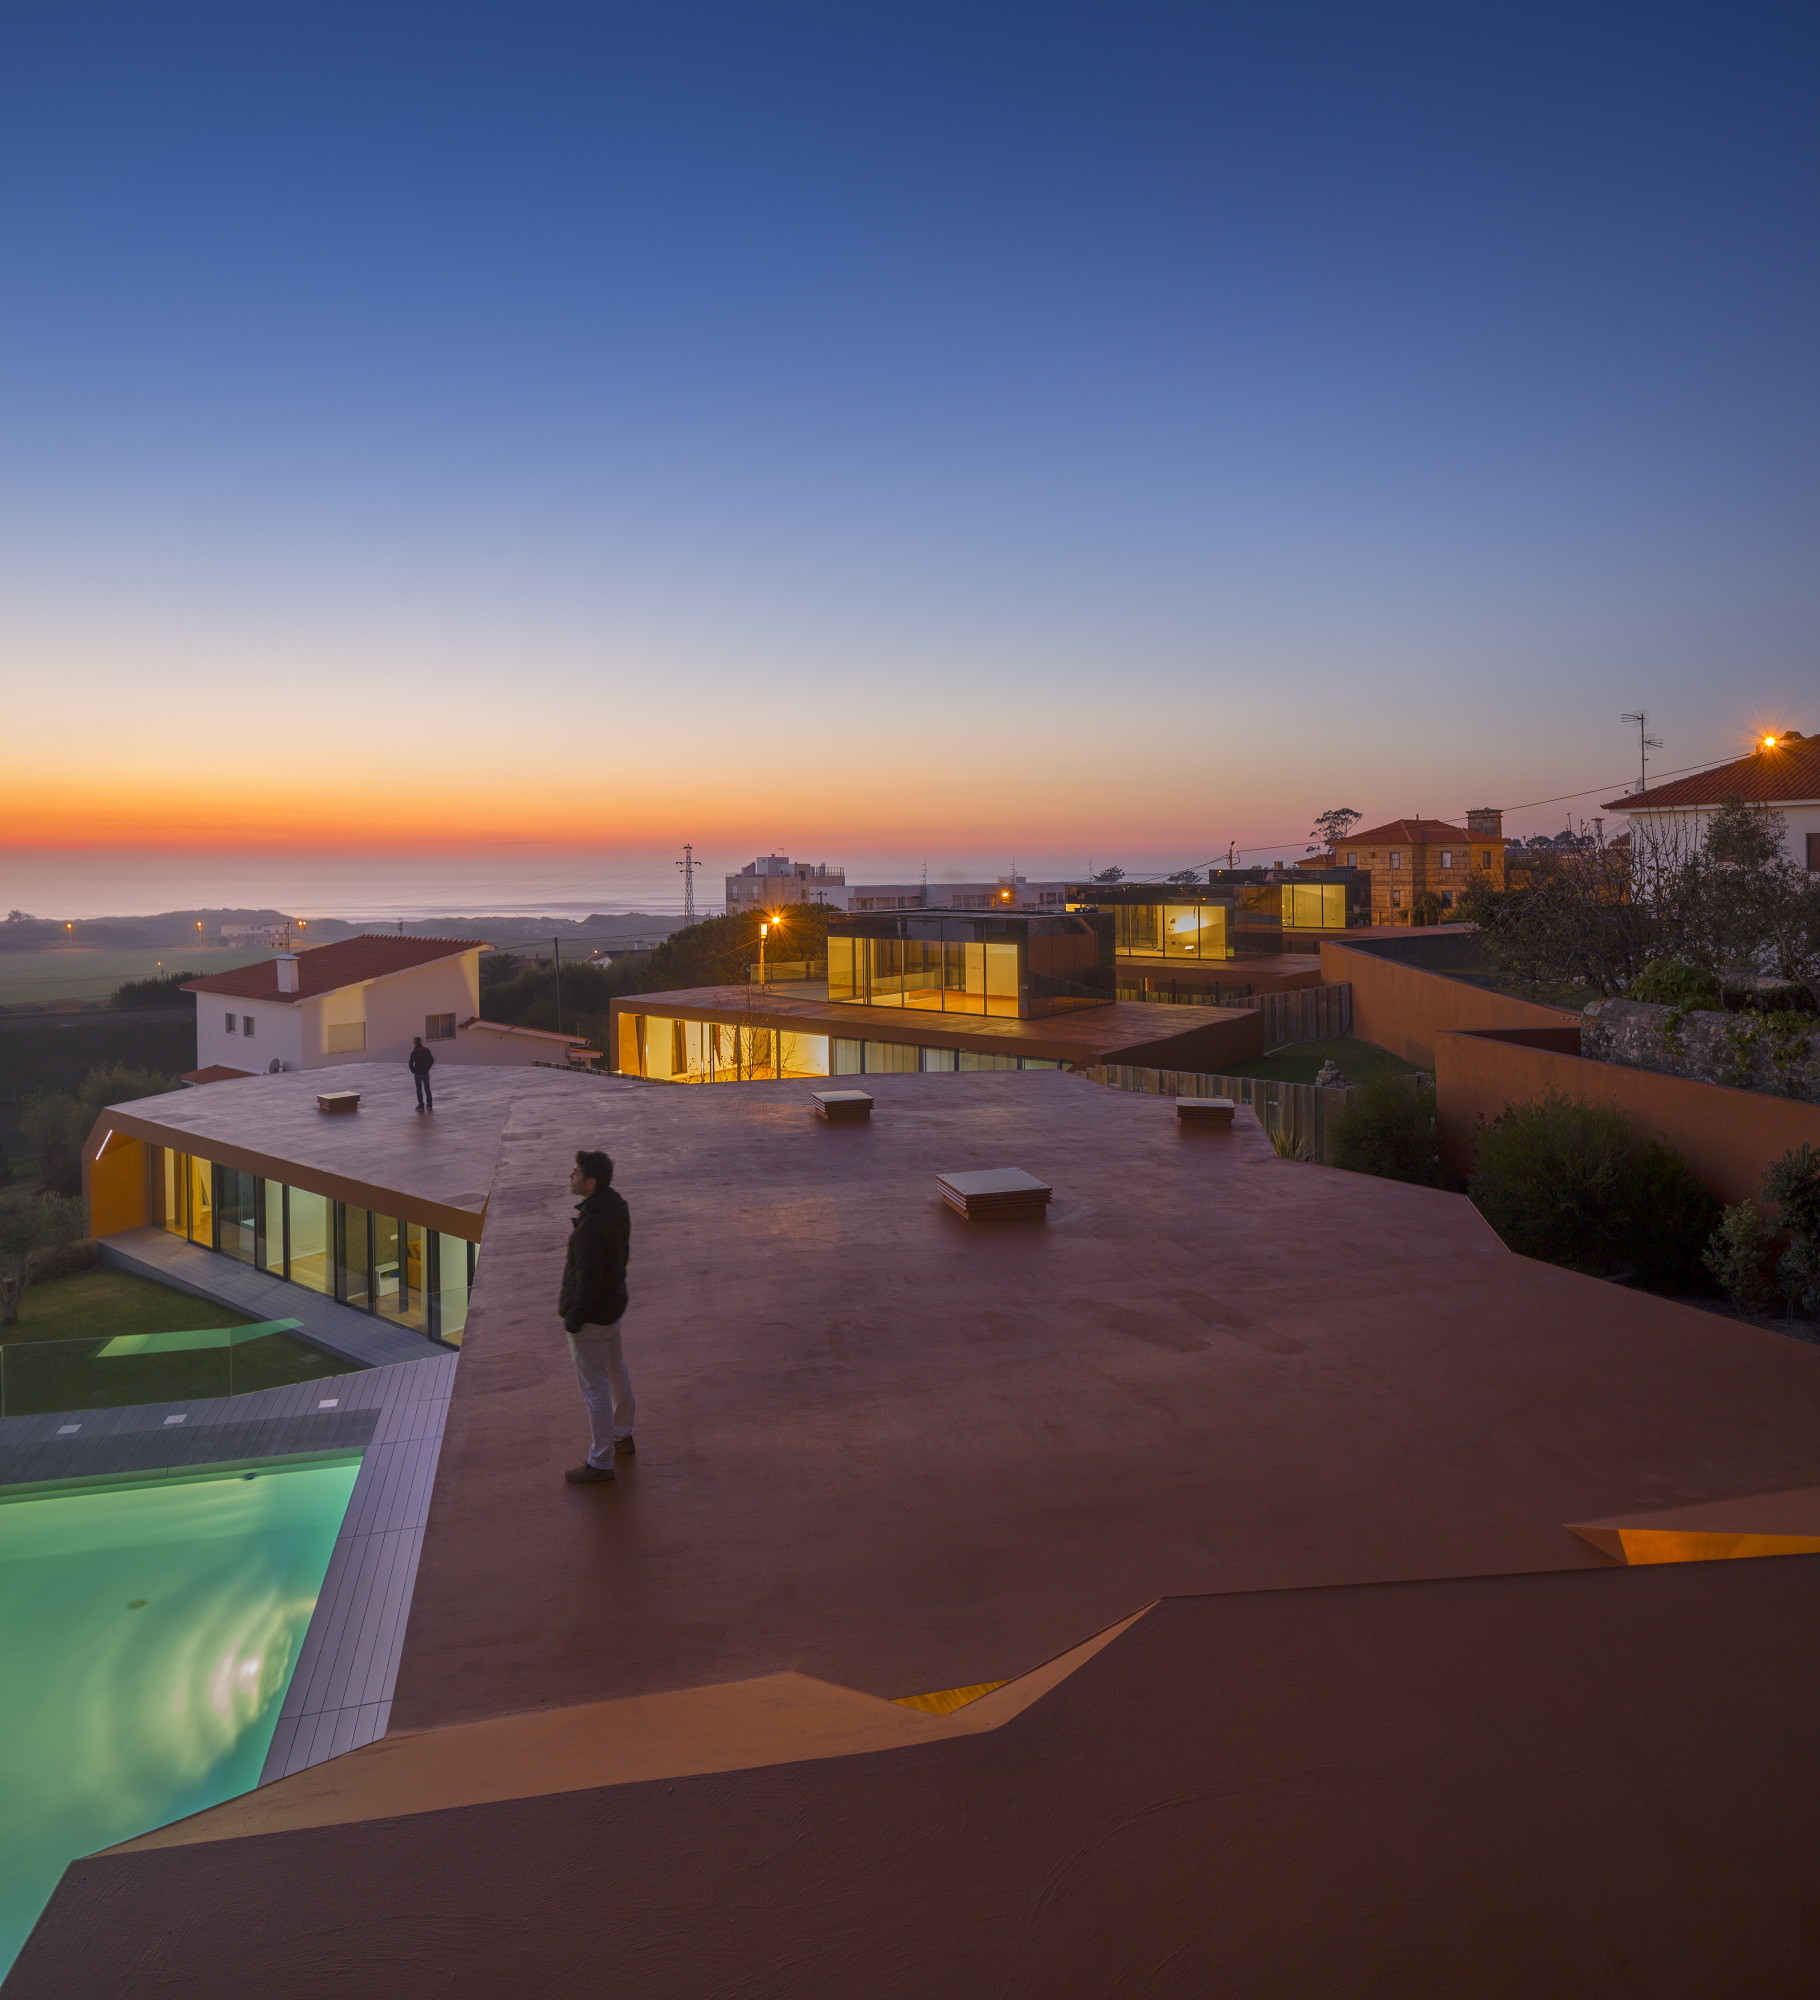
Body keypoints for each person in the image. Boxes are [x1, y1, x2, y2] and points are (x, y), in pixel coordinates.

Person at [559, 1148, 633, 1485]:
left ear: (591, 1182)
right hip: (613, 1306)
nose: (570, 1176)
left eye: (576, 1172)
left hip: (591, 1317)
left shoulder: (590, 1227)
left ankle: (601, 1461)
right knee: (617, 1370)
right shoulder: (617, 1207)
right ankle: (623, 1433)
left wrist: (573, 1318)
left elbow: (587, 1280)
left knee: (596, 1389)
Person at [408, 1036, 435, 1112]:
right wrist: (427, 1068)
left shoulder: (414, 1052)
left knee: (419, 1089)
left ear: (415, 1043)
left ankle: (421, 1105)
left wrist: (413, 1070)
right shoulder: (426, 1050)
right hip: (425, 1073)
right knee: (427, 1089)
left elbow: (410, 1063)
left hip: (418, 1073)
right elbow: (431, 1060)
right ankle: (429, 1105)